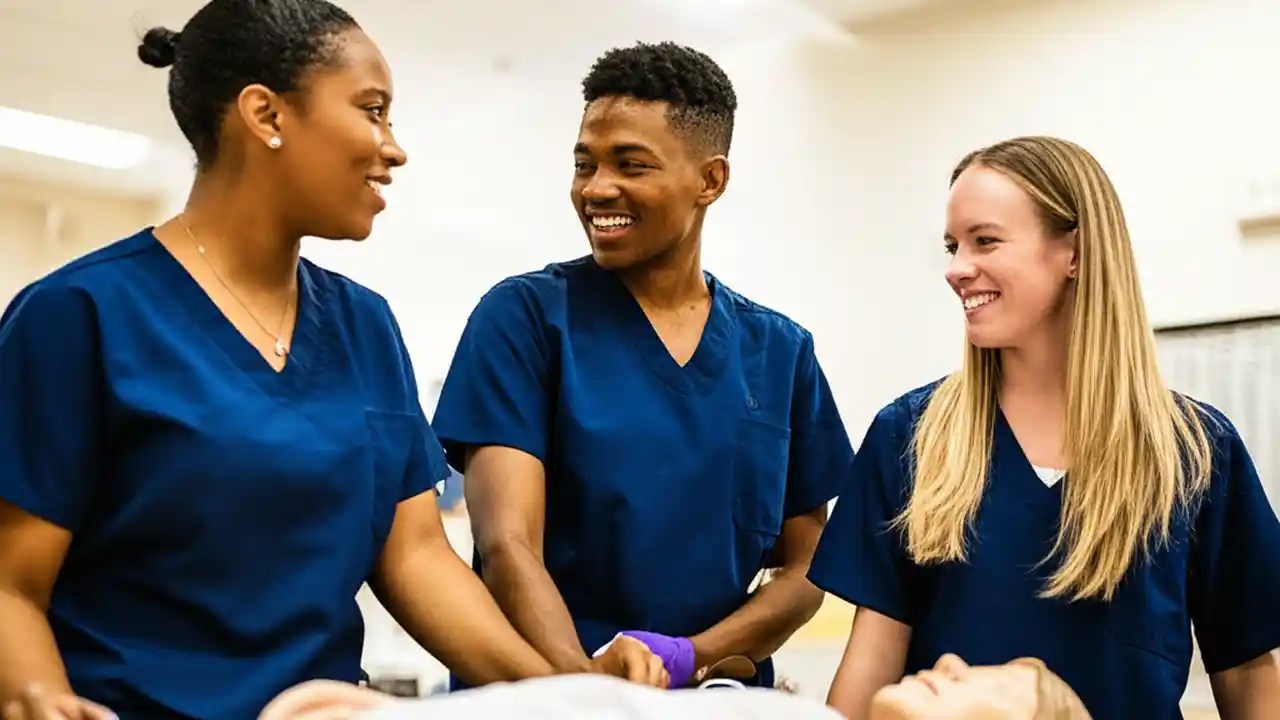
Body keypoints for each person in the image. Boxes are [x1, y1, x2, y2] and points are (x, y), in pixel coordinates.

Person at [0, 1, 660, 718]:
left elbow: (415, 556)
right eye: (373, 111)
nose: (394, 148)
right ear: (266, 115)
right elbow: (10, 586)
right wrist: (39, 695)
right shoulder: (79, 315)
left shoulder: (363, 326)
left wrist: (568, 694)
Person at [807, 136, 1280, 719]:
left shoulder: (1195, 452)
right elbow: (873, 660)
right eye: (953, 246)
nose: (957, 269)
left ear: (1074, 253)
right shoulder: (910, 437)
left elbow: (1247, 671)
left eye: (985, 241)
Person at [431, 41, 854, 691]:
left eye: (631, 165)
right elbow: (507, 544)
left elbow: (806, 569)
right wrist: (589, 688)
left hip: (711, 696)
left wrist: (687, 657)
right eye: (585, 164)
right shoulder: (525, 319)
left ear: (710, 180)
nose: (597, 188)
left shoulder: (780, 352)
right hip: (541, 693)